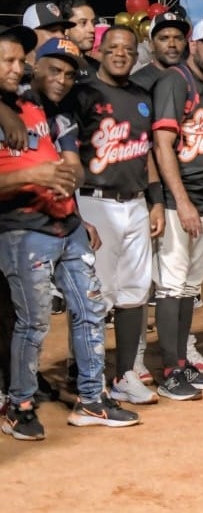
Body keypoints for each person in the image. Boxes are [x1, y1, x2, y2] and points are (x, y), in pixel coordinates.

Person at [1, 25, 139, 439]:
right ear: (37, 67)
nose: (61, 79)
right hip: (24, 228)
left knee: (91, 310)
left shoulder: (48, 111)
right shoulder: (13, 106)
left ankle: (91, 399)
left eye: (68, 73)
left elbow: (71, 165)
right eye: (53, 70)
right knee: (34, 322)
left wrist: (73, 196)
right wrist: (36, 175)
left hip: (68, 224)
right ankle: (20, 405)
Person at [71, 25, 164, 404]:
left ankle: (125, 375)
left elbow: (147, 152)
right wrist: (74, 210)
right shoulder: (83, 93)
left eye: (128, 49)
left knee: (134, 291)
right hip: (95, 201)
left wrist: (156, 201)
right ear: (100, 51)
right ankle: (86, 378)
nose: (121, 54)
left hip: (136, 203)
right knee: (96, 295)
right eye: (113, 48)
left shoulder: (142, 97)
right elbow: (68, 153)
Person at [151, 17, 203, 400]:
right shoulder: (175, 81)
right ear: (192, 44)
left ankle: (181, 363)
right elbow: (162, 144)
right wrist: (180, 200)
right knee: (171, 286)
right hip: (177, 203)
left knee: (187, 287)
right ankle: (169, 372)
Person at [131, 12, 190, 92]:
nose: (172, 44)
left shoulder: (193, 79)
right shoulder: (137, 83)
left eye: (178, 38)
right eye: (164, 38)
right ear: (152, 44)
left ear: (185, 42)